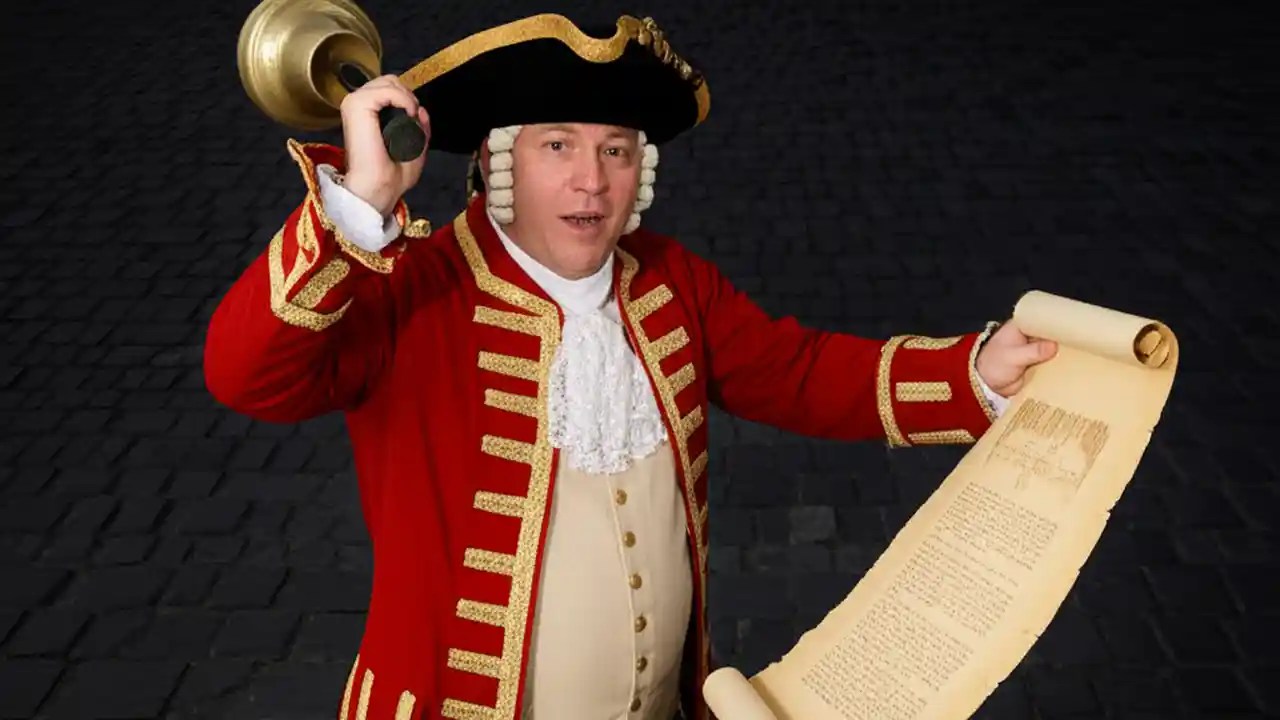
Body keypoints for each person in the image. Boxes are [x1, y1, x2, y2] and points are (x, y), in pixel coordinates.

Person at [204, 12, 1057, 720]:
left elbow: (795, 372)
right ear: (499, 161)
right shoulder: (413, 290)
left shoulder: (669, 280)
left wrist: (977, 369)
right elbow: (246, 376)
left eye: (615, 151)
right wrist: (361, 206)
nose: (591, 182)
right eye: (557, 147)